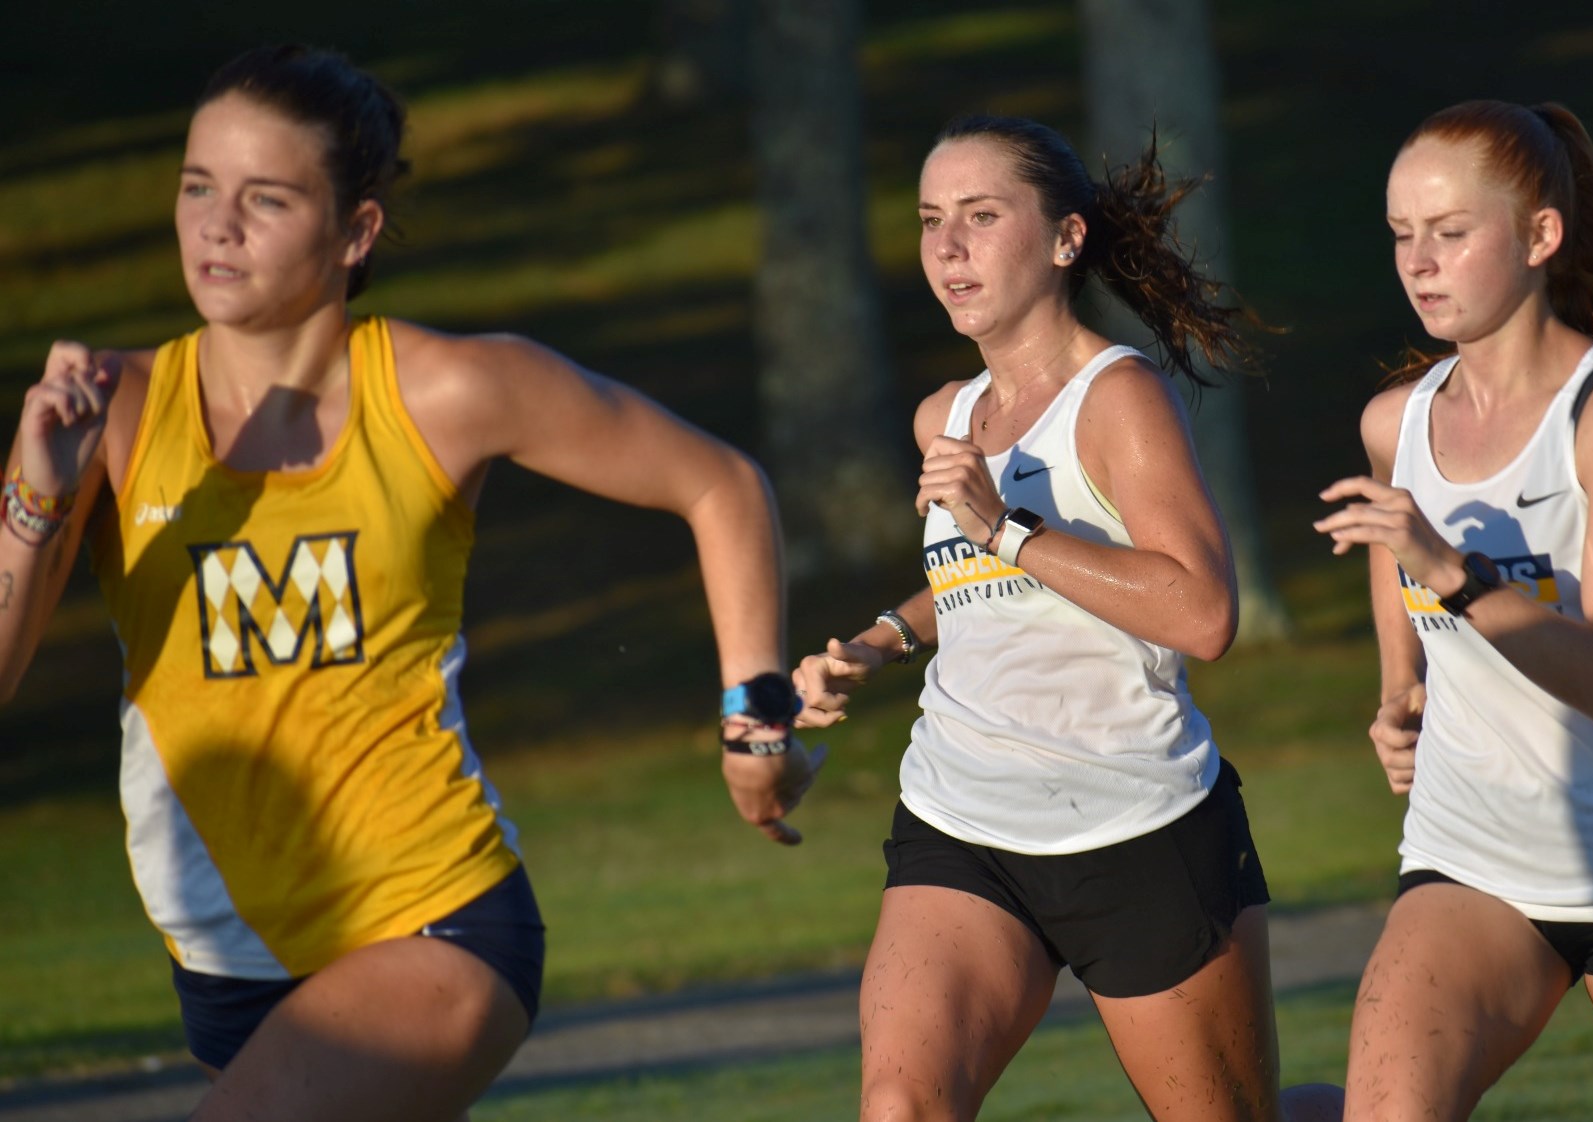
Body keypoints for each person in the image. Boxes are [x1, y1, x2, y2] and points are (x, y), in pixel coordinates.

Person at [0, 44, 820, 1122]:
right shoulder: (110, 411)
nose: (216, 226)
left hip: (431, 922)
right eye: (197, 186)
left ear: (356, 232)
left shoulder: (445, 388)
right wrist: (38, 494)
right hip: (226, 959)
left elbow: (718, 485)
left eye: (266, 198)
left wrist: (753, 722)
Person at [791, 115, 1342, 1122]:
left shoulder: (1116, 400)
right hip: (961, 819)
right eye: (928, 221)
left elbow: (1202, 611)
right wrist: (882, 637)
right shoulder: (944, 416)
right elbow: (970, 581)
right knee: (899, 1108)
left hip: (1135, 827)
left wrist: (1004, 529)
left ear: (1063, 240)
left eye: (981, 216)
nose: (947, 247)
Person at [1313, 99, 1593, 1121]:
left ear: (1538, 236)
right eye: (1399, 236)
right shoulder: (1396, 421)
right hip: (1470, 860)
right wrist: (1401, 690)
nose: (1417, 262)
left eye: (1448, 232)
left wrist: (1453, 574)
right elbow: (1392, 541)